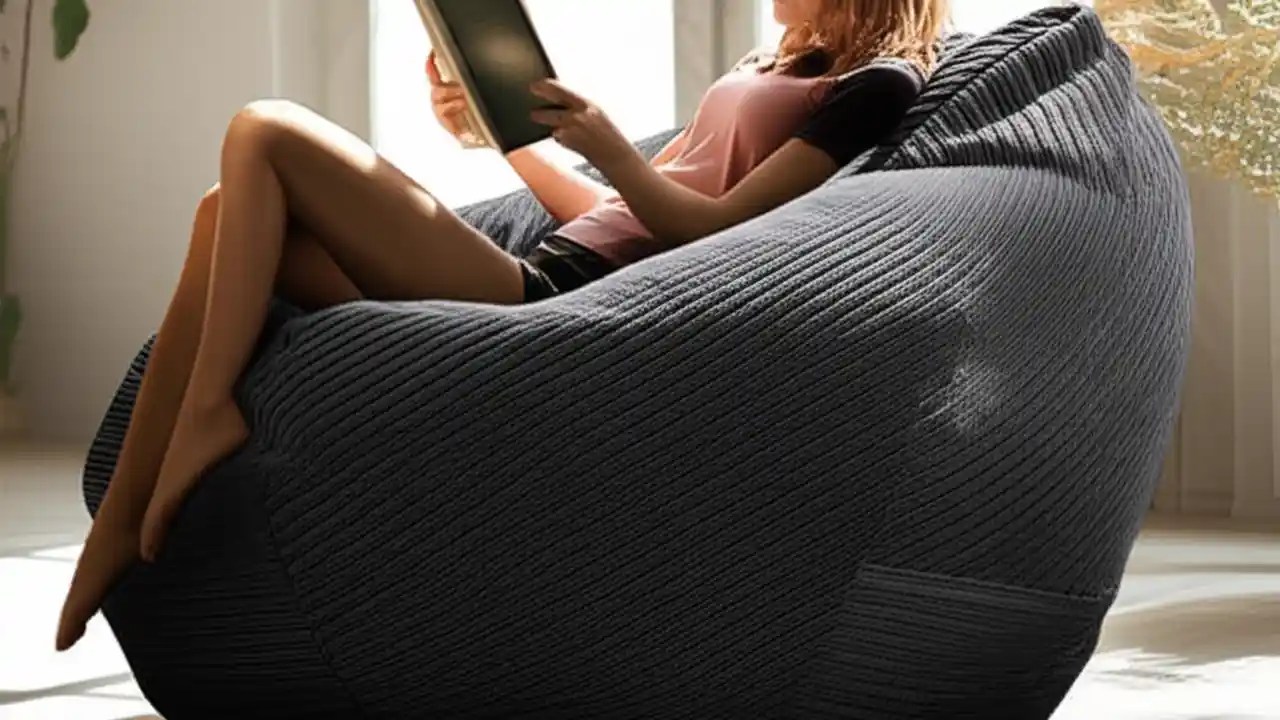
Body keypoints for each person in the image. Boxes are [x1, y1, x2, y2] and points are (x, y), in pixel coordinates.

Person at [55, 0, 949, 651]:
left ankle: (209, 405)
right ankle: (118, 523)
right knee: (225, 212)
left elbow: (708, 230)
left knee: (265, 129)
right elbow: (614, 207)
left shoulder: (873, 83)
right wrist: (510, 134)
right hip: (549, 260)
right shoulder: (774, 61)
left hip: (546, 301)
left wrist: (604, 141)